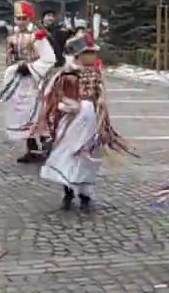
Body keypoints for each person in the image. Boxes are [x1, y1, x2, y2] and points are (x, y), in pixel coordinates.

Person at [37, 34, 131, 211]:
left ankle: (85, 192)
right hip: (72, 121)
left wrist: (101, 101)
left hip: (91, 119)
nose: (94, 56)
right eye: (89, 52)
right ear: (79, 54)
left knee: (88, 154)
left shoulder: (95, 73)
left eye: (94, 52)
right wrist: (66, 106)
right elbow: (55, 96)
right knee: (69, 152)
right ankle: (68, 189)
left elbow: (100, 91)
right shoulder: (66, 74)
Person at [0, 1, 56, 162]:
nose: (21, 21)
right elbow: (10, 58)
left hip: (36, 81)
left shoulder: (38, 36)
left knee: (39, 114)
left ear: (29, 19)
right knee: (23, 115)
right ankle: (31, 148)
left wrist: (30, 68)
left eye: (24, 18)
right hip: (20, 80)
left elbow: (49, 58)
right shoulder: (13, 37)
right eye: (18, 18)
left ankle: (46, 147)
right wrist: (13, 69)